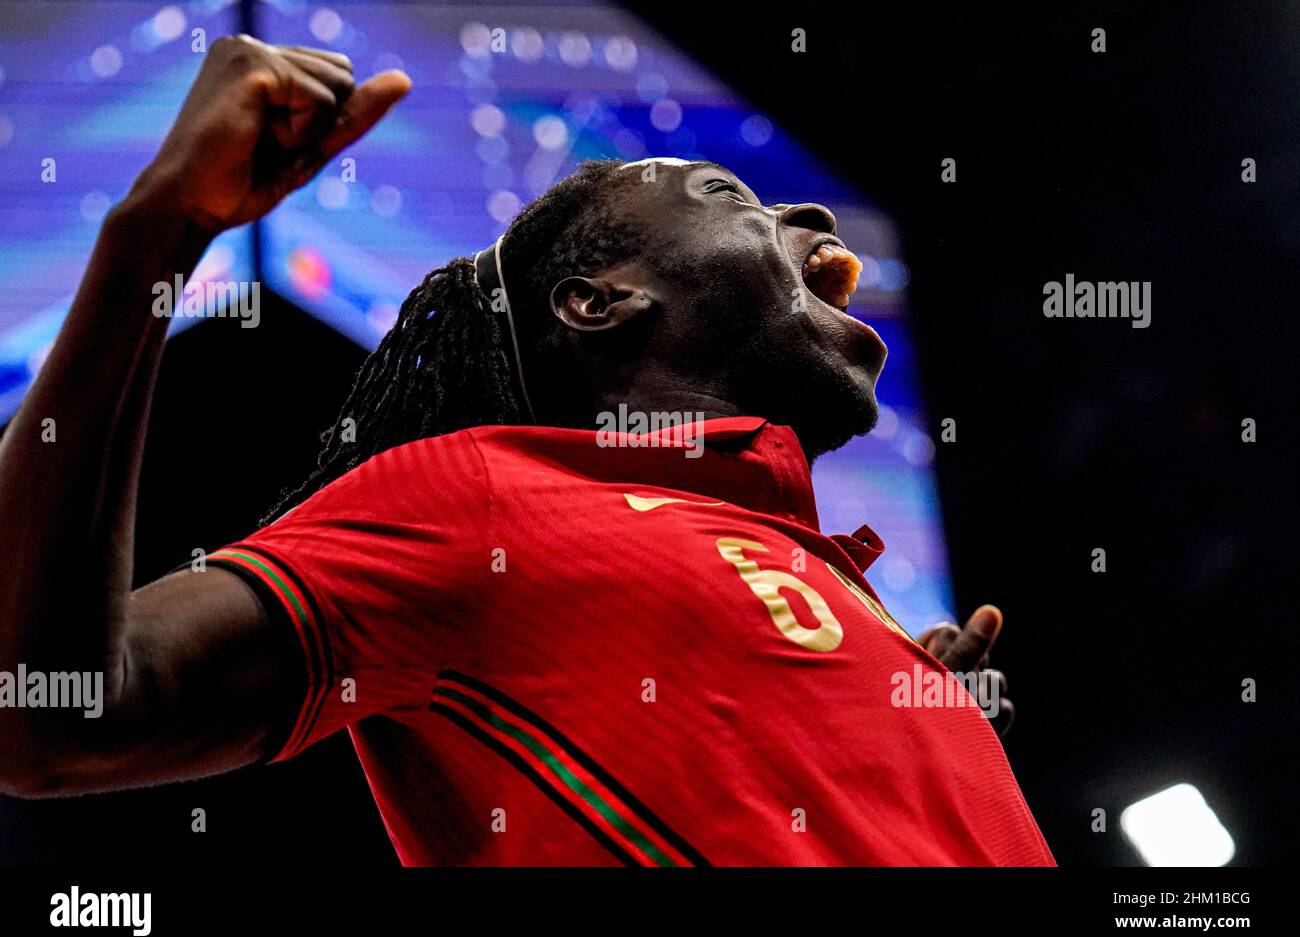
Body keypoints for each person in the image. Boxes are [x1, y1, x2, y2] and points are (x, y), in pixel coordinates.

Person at [0, 36, 1052, 865]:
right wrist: (159, 227)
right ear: (599, 302)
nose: (805, 213)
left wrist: (892, 751)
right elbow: (50, 715)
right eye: (731, 199)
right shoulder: (480, 497)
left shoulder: (848, 593)